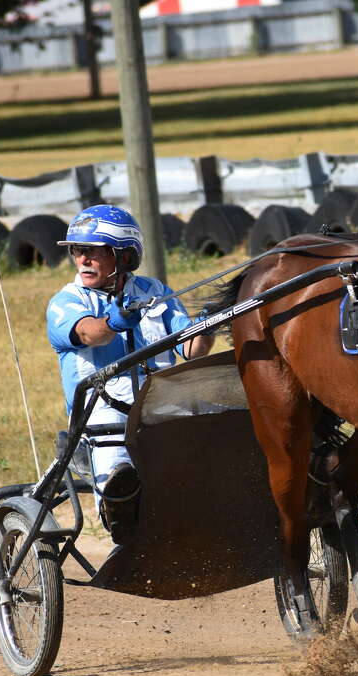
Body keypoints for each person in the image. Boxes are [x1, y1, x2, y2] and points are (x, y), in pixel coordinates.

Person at [46, 204, 212, 543]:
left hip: (163, 408)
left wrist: (208, 325)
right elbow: (90, 334)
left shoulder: (156, 292)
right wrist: (115, 320)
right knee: (121, 484)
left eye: (92, 251)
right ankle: (125, 523)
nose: (82, 259)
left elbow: (192, 349)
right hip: (102, 417)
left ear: (123, 256)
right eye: (77, 250)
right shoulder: (66, 301)